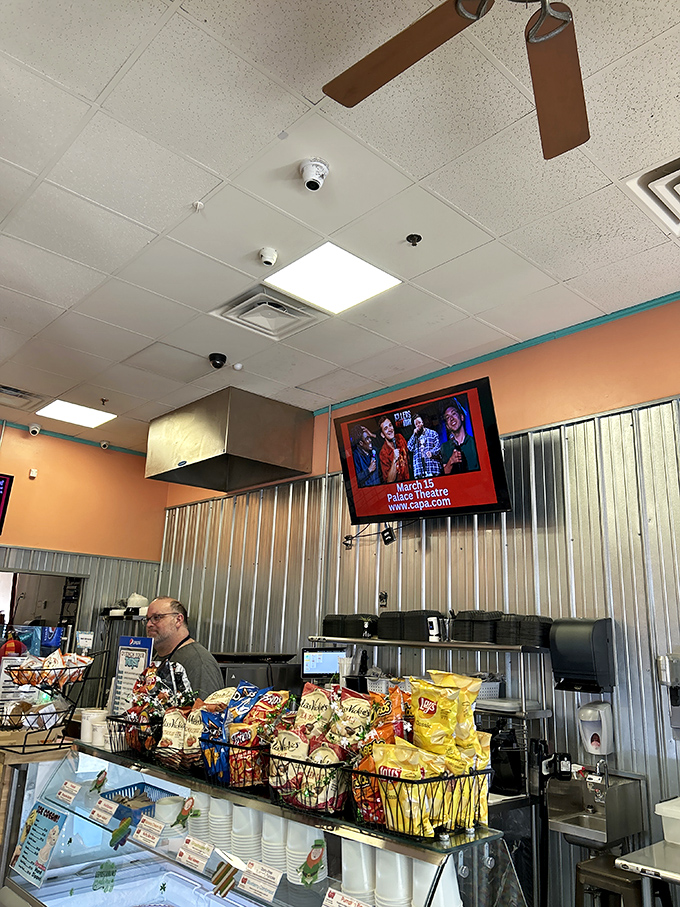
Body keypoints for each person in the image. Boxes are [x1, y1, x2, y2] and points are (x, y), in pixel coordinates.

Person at [145, 597, 223, 700]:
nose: (149, 624)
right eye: (147, 619)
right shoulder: (156, 657)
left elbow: (208, 712)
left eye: (157, 617)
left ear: (178, 620)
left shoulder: (199, 663)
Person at [441, 399, 479, 474]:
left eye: (454, 414)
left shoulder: (475, 443)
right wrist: (451, 461)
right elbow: (442, 476)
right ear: (447, 426)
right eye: (447, 417)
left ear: (462, 417)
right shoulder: (444, 447)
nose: (451, 419)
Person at [407, 413, 442, 478]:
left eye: (419, 422)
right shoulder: (414, 437)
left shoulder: (432, 433)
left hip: (432, 468)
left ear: (422, 422)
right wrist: (414, 435)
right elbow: (409, 447)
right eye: (416, 424)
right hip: (419, 471)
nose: (418, 425)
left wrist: (432, 452)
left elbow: (438, 447)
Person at [378, 415, 410, 484]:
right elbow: (389, 480)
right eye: (386, 428)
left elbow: (409, 458)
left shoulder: (400, 437)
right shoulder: (383, 453)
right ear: (382, 435)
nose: (390, 429)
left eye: (390, 425)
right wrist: (394, 459)